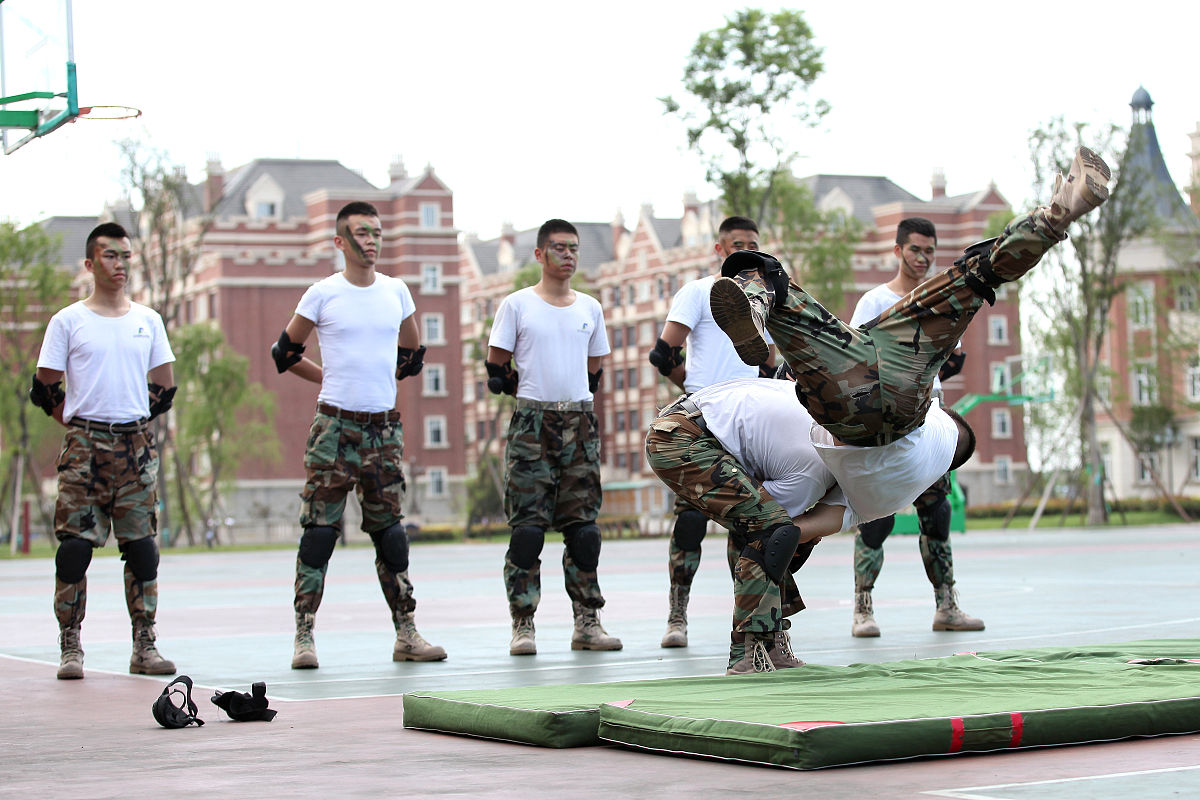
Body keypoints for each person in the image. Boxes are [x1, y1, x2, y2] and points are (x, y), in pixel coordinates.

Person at [706, 146, 1110, 570]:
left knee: (973, 277)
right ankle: (1061, 213)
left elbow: (851, 350)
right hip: (865, 409)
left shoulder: (935, 433)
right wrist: (792, 533)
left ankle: (1058, 213)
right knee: (971, 280)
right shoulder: (897, 489)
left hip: (881, 378)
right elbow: (832, 517)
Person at [272, 201, 444, 669]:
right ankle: (304, 635)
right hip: (334, 427)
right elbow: (284, 352)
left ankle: (406, 632)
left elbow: (412, 355)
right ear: (340, 243)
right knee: (320, 533)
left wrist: (378, 378)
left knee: (390, 535)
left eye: (377, 233)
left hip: (383, 430)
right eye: (361, 234)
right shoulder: (322, 294)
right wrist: (327, 376)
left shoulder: (397, 292)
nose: (371, 241)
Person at [31, 222, 178, 680]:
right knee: (74, 549)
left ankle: (144, 646)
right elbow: (44, 389)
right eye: (111, 256)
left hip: (135, 446)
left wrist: (129, 423)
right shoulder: (69, 320)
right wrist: (78, 421)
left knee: (142, 550)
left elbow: (164, 388)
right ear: (91, 264)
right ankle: (71, 646)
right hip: (85, 448)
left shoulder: (147, 320)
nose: (120, 264)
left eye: (126, 256)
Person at [647, 376, 849, 674]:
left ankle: (768, 644)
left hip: (690, 425)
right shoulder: (813, 470)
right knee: (772, 532)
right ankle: (747, 652)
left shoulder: (822, 425)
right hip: (681, 437)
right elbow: (776, 532)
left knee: (771, 528)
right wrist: (799, 540)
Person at [485, 218, 620, 656]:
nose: (568, 255)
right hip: (532, 424)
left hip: (579, 423)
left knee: (583, 530)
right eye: (559, 248)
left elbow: (595, 365)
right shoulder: (518, 305)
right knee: (528, 529)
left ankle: (587, 621)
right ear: (540, 254)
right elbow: (497, 363)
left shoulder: (590, 308)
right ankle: (523, 622)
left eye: (574, 248)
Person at [846, 217, 982, 637]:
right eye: (915, 250)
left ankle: (947, 605)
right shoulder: (874, 301)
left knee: (937, 512)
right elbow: (853, 359)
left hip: (930, 420)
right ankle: (863, 609)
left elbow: (954, 356)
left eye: (929, 251)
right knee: (879, 516)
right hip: (886, 424)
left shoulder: (937, 300)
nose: (923, 258)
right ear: (898, 250)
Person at [648, 216, 778, 648]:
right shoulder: (698, 292)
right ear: (720, 250)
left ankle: (746, 621)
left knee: (748, 522)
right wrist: (693, 389)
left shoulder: (765, 300)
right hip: (703, 417)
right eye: (737, 245)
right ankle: (676, 614)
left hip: (749, 420)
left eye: (752, 246)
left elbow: (769, 364)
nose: (744, 252)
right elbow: (663, 352)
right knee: (689, 523)